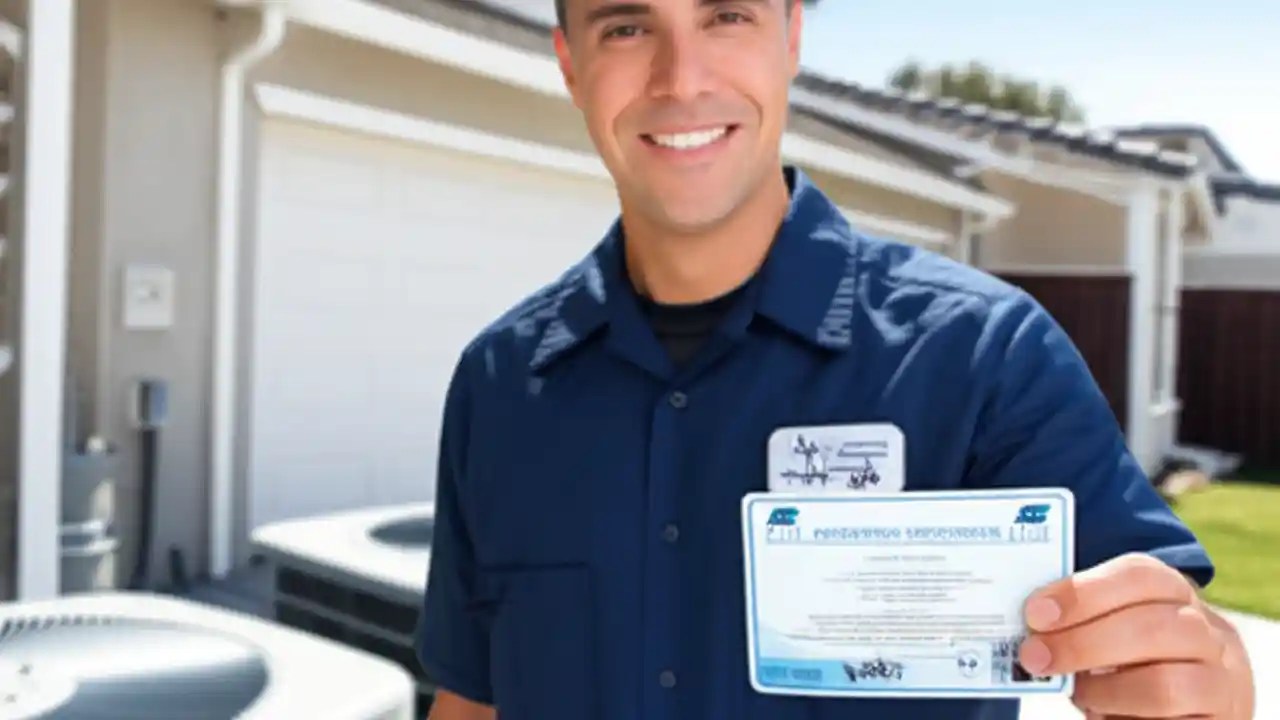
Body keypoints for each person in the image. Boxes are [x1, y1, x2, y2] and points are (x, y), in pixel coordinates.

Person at [415, 1, 1256, 718]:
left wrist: (1197, 668)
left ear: (792, 35)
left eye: (727, 15)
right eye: (628, 26)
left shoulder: (984, 356)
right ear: (571, 63)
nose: (681, 78)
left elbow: (1181, 651)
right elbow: (471, 699)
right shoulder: (499, 384)